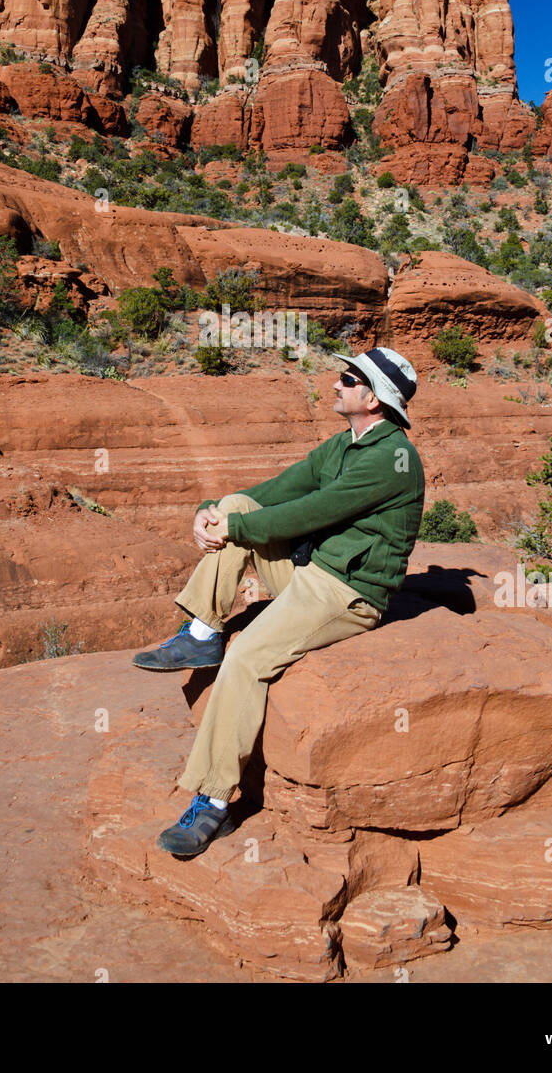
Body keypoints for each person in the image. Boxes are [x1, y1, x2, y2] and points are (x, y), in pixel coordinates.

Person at [132, 346, 425, 857]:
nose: (335, 383)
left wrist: (234, 528)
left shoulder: (391, 459)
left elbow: (310, 512)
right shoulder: (343, 445)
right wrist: (213, 511)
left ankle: (214, 803)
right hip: (313, 572)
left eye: (347, 377)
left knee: (247, 661)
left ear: (373, 398)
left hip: (348, 592)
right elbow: (276, 491)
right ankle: (202, 634)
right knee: (238, 505)